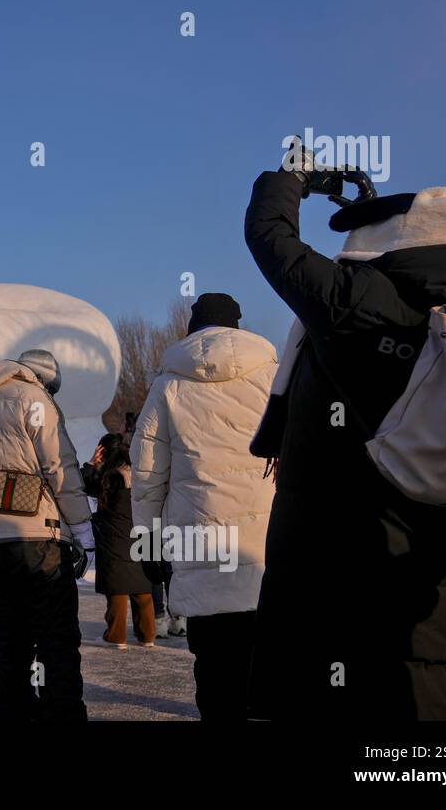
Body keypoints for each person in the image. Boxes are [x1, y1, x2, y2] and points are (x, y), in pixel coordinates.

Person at [245, 159, 446, 719]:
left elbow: (270, 237)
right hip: (439, 551)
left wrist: (289, 180)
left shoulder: (353, 300)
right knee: (422, 702)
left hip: (338, 550)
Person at [131, 292, 278, 718]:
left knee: (216, 676)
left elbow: (146, 478)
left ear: (192, 329)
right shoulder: (273, 376)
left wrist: (148, 544)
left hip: (198, 545)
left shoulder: (167, 385)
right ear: (238, 325)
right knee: (268, 677)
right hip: (266, 550)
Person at [0, 349, 93, 721]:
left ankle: (4, 713)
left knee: (5, 636)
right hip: (37, 536)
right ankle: (63, 714)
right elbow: (59, 465)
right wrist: (82, 526)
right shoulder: (34, 399)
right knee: (56, 637)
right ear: (46, 379)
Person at [87, 434, 155, 649]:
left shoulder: (109, 476)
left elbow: (84, 486)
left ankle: (116, 637)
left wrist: (91, 464)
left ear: (103, 453)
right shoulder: (139, 472)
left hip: (115, 539)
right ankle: (147, 636)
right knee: (142, 587)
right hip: (142, 534)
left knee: (117, 588)